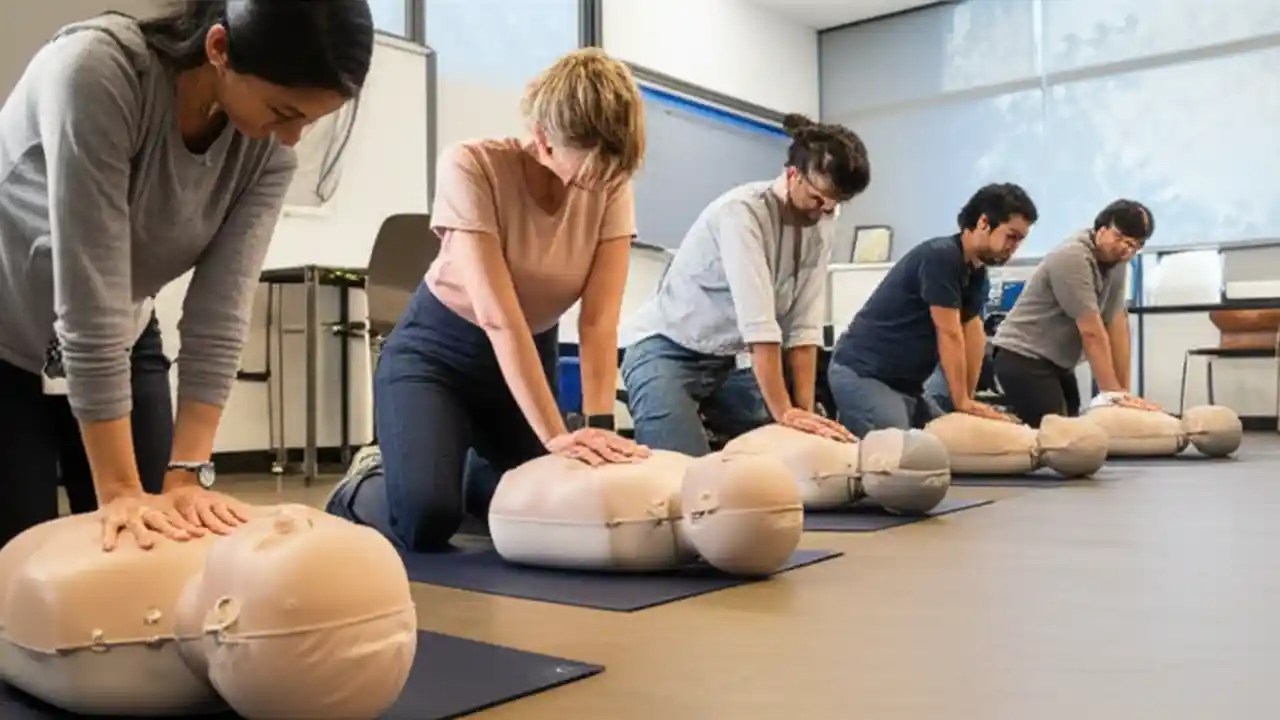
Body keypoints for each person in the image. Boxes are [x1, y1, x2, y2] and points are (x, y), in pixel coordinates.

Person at [0, 1, 374, 551]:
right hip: (10, 335)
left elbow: (220, 312)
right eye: (284, 111)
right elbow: (89, 295)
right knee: (23, 565)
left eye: (309, 121)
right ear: (219, 48)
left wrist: (187, 473)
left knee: (163, 541)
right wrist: (122, 490)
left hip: (120, 330)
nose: (291, 138)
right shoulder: (96, 72)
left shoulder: (268, 155)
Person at [324, 48, 650, 552]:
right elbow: (500, 319)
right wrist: (555, 437)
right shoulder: (471, 165)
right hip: (436, 355)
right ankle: (365, 480)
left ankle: (466, 464)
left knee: (547, 501)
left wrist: (598, 431)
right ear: (544, 138)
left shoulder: (608, 183)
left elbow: (599, 322)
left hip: (523, 362)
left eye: (616, 166)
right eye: (594, 163)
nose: (606, 178)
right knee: (426, 519)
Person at [618, 114, 868, 456]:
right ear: (793, 174)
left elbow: (804, 327)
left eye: (834, 204)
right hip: (666, 350)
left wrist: (804, 413)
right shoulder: (742, 213)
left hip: (726, 364)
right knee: (684, 471)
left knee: (790, 451)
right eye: (817, 198)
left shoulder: (822, 222)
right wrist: (785, 413)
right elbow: (759, 326)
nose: (824, 210)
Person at [827, 183, 1038, 437]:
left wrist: (968, 403)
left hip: (907, 386)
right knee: (905, 453)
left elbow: (972, 334)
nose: (1014, 246)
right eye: (1011, 236)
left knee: (954, 442)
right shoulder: (940, 257)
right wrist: (960, 401)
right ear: (984, 222)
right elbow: (949, 332)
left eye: (1020, 240)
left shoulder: (977, 272)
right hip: (864, 374)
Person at [990, 199, 1158, 427]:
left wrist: (1122, 393)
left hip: (1057, 362)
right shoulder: (1073, 257)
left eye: (1134, 245)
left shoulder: (1120, 261)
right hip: (1023, 356)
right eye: (1119, 238)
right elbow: (1091, 330)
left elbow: (1116, 323)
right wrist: (1111, 393)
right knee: (1058, 432)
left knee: (1073, 428)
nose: (1124, 249)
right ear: (1101, 229)